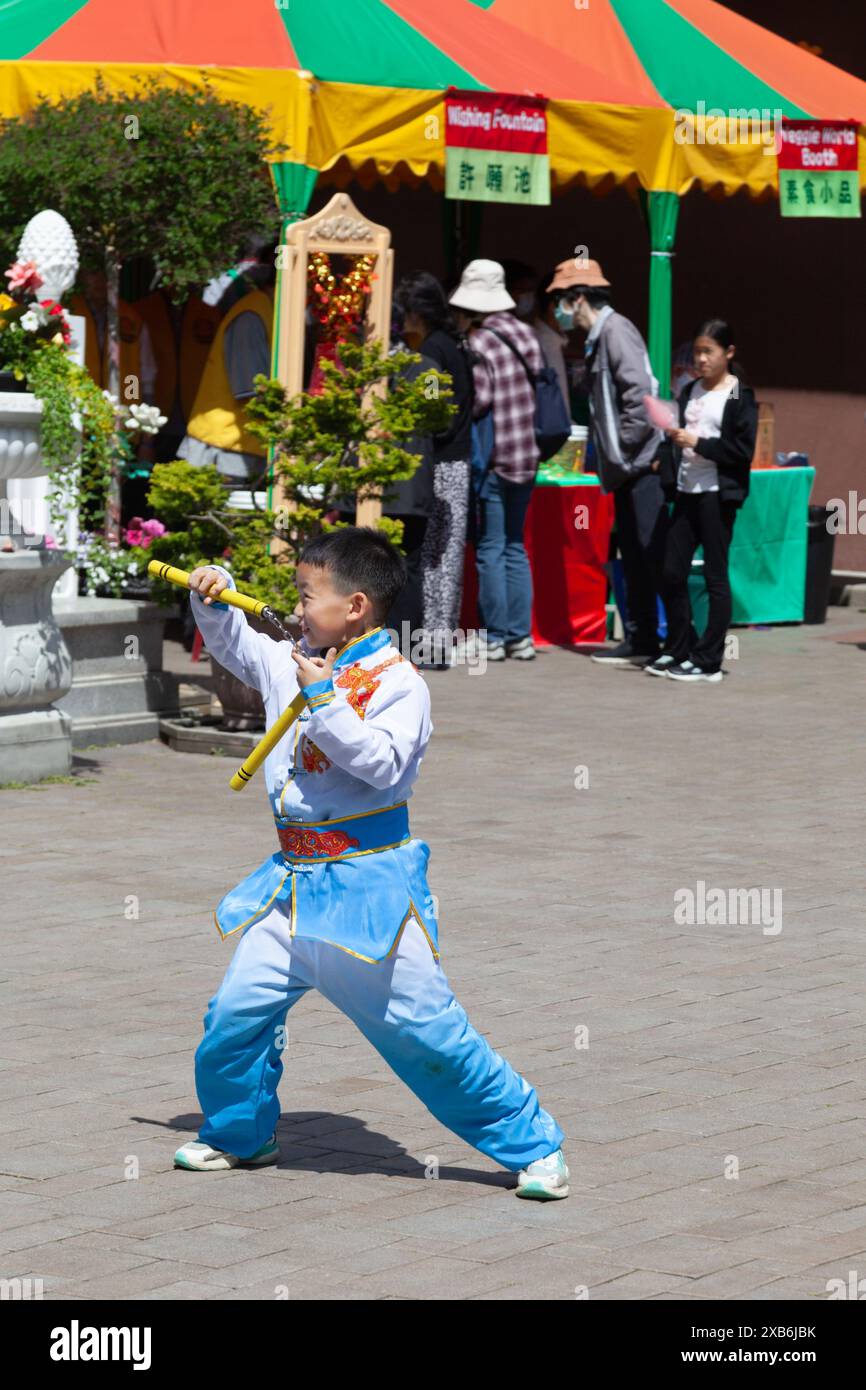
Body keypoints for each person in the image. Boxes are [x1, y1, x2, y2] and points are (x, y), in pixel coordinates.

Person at [173, 527, 569, 1200]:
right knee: (233, 1017)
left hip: (368, 896)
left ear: (355, 606)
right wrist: (210, 598)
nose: (297, 609)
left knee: (428, 1036)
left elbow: (383, 764)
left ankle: (533, 1145)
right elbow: (238, 645)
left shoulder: (399, 684)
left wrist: (324, 700)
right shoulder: (293, 659)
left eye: (307, 595)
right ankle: (241, 1134)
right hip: (290, 890)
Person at [547, 258, 666, 667]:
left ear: (580, 298)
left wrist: (625, 448)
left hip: (638, 466)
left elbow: (640, 396)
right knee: (633, 555)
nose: (560, 311)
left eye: (563, 300)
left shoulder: (615, 330)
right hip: (624, 469)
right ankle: (642, 639)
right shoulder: (601, 335)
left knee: (648, 555)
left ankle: (662, 640)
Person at [649, 320, 757, 683]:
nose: (701, 359)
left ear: (728, 353)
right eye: (697, 351)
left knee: (714, 577)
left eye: (708, 351)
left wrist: (696, 443)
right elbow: (674, 436)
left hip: (717, 495)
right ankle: (680, 647)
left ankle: (709, 660)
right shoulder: (690, 389)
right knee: (671, 571)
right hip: (686, 492)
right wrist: (666, 455)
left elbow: (741, 452)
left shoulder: (740, 395)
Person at [449, 259, 544, 662]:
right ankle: (521, 637)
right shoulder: (527, 333)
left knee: (490, 545)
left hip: (495, 458)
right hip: (527, 453)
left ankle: (494, 637)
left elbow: (482, 400)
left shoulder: (480, 342)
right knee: (514, 546)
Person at [393, 272, 474, 668]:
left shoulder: (433, 352)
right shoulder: (449, 344)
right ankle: (433, 643)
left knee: (431, 560)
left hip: (441, 463)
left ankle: (428, 646)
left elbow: (434, 413)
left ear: (416, 313)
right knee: (441, 558)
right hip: (454, 459)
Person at [177, 236, 276, 485]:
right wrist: (134, 416)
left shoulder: (210, 312)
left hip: (203, 426)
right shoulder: (139, 313)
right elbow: (129, 372)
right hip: (213, 438)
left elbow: (137, 371)